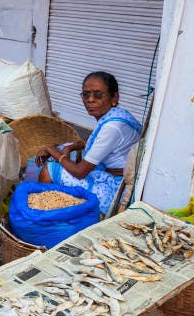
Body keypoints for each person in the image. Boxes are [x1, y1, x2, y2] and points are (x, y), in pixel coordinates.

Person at [35, 71, 142, 215]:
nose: (90, 100)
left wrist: (52, 150)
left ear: (114, 97)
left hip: (114, 188)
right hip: (112, 176)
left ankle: (48, 216)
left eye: (98, 95)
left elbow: (80, 172)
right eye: (86, 95)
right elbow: (97, 140)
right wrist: (73, 146)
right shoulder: (117, 115)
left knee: (49, 171)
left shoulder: (112, 127)